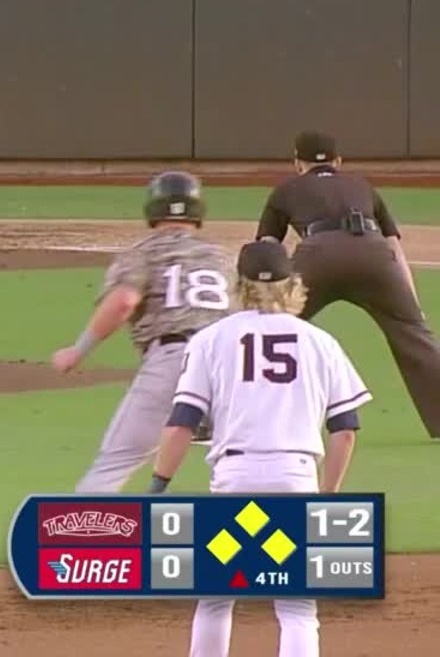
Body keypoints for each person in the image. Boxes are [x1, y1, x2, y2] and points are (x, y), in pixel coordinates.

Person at [148, 239, 373, 657]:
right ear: (293, 284)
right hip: (295, 479)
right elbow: (345, 429)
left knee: (215, 597)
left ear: (240, 284)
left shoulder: (211, 339)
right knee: (297, 608)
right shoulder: (320, 342)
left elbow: (182, 422)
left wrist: (158, 485)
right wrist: (328, 497)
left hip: (235, 482)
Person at [51, 172, 234, 489]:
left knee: (113, 465)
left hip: (175, 360)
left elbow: (123, 302)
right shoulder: (223, 259)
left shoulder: (142, 253)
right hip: (230, 365)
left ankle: (83, 536)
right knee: (247, 462)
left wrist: (77, 350)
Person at [254, 130, 440, 438]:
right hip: (374, 258)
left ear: (297, 163)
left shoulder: (287, 189)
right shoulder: (362, 185)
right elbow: (394, 246)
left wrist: (265, 309)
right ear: (338, 161)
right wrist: (410, 307)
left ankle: (244, 412)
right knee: (416, 338)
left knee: (267, 331)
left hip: (317, 258)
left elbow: (266, 250)